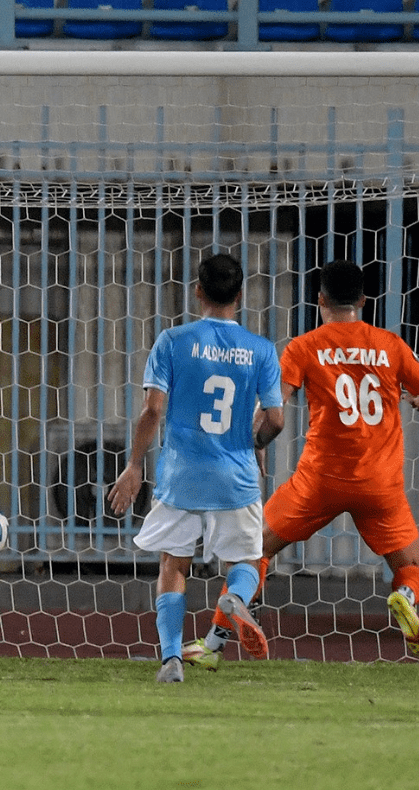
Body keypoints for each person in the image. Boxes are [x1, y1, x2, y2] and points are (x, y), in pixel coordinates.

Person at [184, 259, 419, 668]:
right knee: (411, 566)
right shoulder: (390, 345)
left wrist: (253, 444)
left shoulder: (304, 347)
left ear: (319, 299)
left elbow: (274, 409)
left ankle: (213, 644)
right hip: (380, 484)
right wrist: (414, 400)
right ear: (362, 300)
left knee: (253, 552)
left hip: (319, 481)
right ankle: (406, 599)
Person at [107, 253, 285, 683]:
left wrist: (134, 466)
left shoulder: (173, 340)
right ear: (240, 295)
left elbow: (153, 410)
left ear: (198, 290)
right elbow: (275, 421)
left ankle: (171, 659)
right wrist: (254, 443)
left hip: (181, 475)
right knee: (247, 559)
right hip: (236, 476)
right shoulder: (261, 350)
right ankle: (234, 600)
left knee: (174, 563)